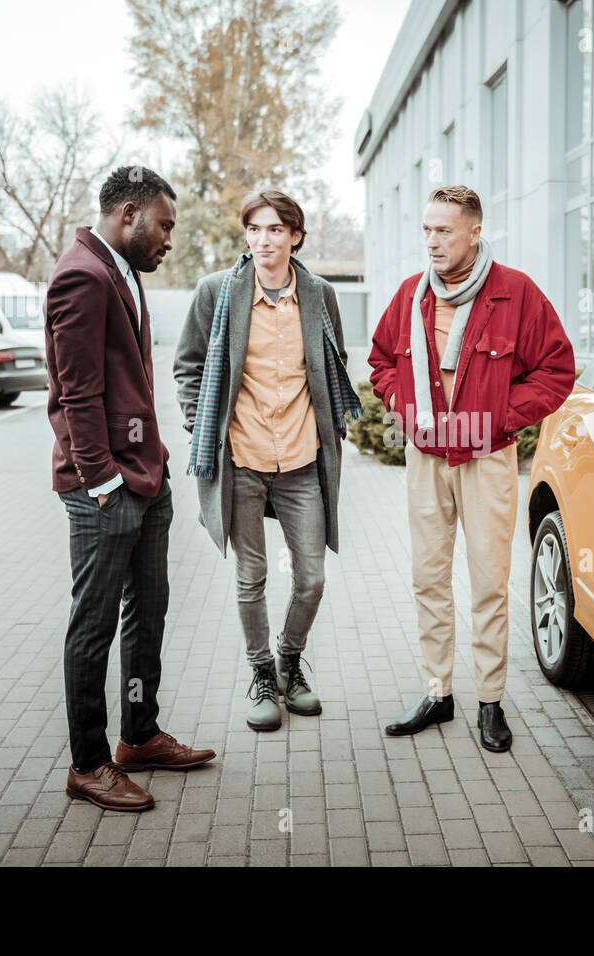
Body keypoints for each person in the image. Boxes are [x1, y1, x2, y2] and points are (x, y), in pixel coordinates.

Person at [368, 185, 575, 752]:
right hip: (426, 456)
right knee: (428, 580)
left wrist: (502, 419)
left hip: (487, 457)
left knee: (488, 582)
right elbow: (381, 359)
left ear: (474, 231)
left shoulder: (516, 294)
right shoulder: (412, 294)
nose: (431, 241)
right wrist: (400, 406)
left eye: (443, 230)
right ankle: (438, 693)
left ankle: (490, 701)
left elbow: (557, 371)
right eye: (427, 229)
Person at [46, 165, 215, 813]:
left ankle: (138, 736)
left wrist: (155, 461)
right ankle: (88, 765)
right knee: (92, 626)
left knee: (148, 611)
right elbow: (75, 395)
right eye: (164, 224)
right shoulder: (81, 276)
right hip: (105, 489)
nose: (170, 238)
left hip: (147, 477)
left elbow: (130, 382)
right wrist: (104, 483)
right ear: (128, 216)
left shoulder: (123, 274)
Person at [174, 189, 360, 732]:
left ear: (295, 236)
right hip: (243, 460)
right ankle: (260, 674)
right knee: (251, 575)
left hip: (303, 460)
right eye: (254, 229)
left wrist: (331, 423)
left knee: (312, 579)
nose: (263, 240)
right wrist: (198, 422)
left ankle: (289, 660)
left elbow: (335, 360)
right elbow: (188, 363)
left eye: (275, 229)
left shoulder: (319, 294)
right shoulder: (218, 292)